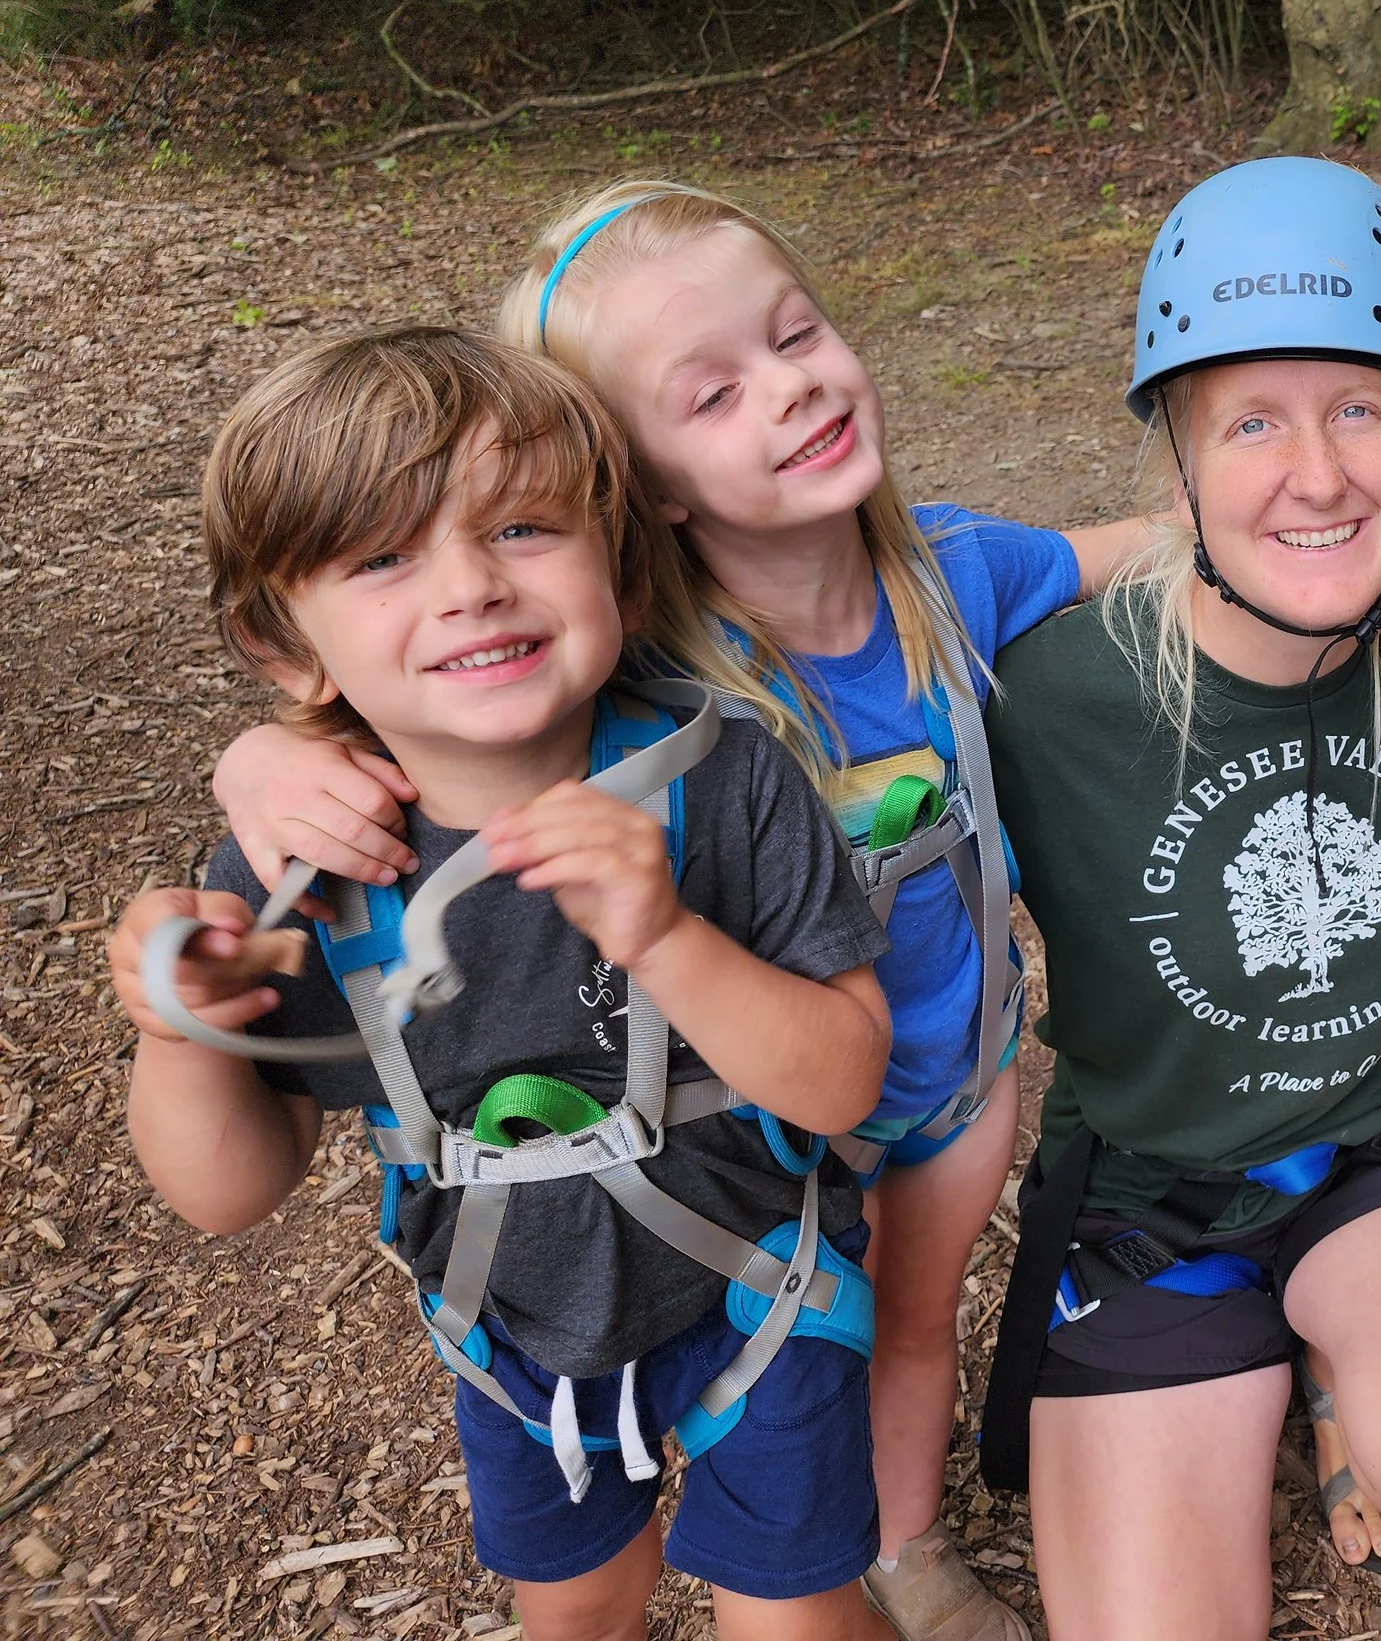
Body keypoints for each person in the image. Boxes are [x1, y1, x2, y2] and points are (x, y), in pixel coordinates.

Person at [212, 184, 1156, 1641]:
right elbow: (438, 690)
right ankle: (817, 1543)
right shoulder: (635, 658)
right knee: (804, 1342)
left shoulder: (951, 570)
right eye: (714, 391)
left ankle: (899, 1542)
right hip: (757, 1129)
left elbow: (1125, 545)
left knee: (905, 1326)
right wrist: (268, 751)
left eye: (796, 336)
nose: (789, 389)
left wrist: (1294, 521)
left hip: (950, 1073)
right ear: (630, 487)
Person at [108, 327, 898, 1641]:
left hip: (761, 1290)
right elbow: (229, 1190)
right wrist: (180, 1028)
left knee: (793, 1615)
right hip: (514, 1329)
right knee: (575, 1603)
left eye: (525, 528)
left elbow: (843, 1077)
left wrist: (667, 935)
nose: (472, 585)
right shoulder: (306, 872)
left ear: (622, 576)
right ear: (284, 646)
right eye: (383, 557)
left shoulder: (729, 777)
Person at [973, 156, 1381, 1641]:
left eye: (1360, 410)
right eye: (1252, 422)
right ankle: (1283, 1366)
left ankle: (1342, 1367)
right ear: (1176, 461)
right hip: (1152, 1201)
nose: (1317, 476)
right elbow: (771, 628)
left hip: (1378, 1160)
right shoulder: (1046, 690)